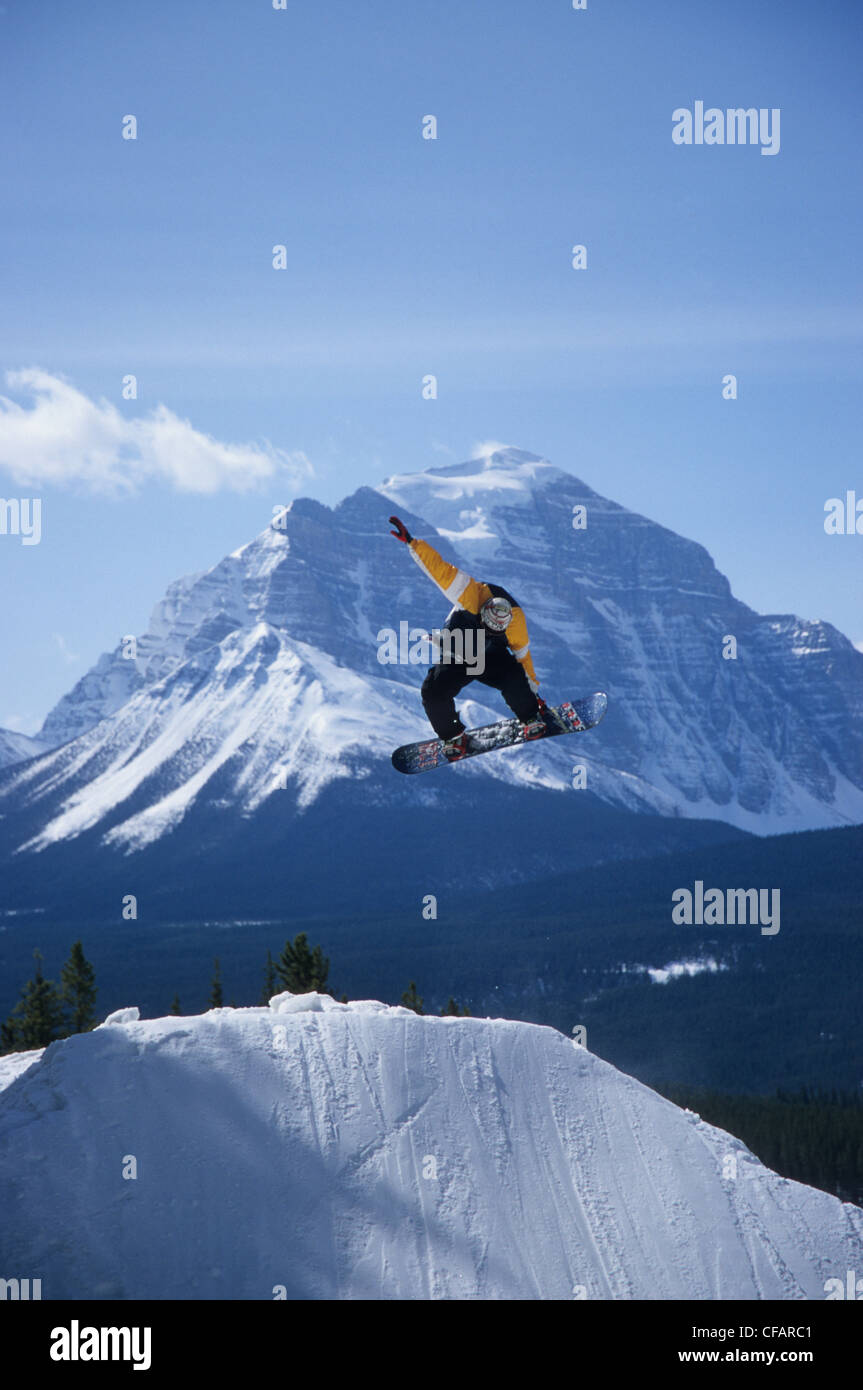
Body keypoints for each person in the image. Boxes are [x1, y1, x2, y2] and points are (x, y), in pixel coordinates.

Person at [389, 515, 547, 751]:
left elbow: (524, 659)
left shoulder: (516, 624)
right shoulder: (471, 595)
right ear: (483, 611)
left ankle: (531, 717)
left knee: (514, 675)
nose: (489, 629)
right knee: (433, 691)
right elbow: (440, 571)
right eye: (487, 624)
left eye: (496, 629)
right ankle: (452, 736)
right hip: (459, 650)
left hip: (492, 655)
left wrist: (532, 694)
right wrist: (412, 542)